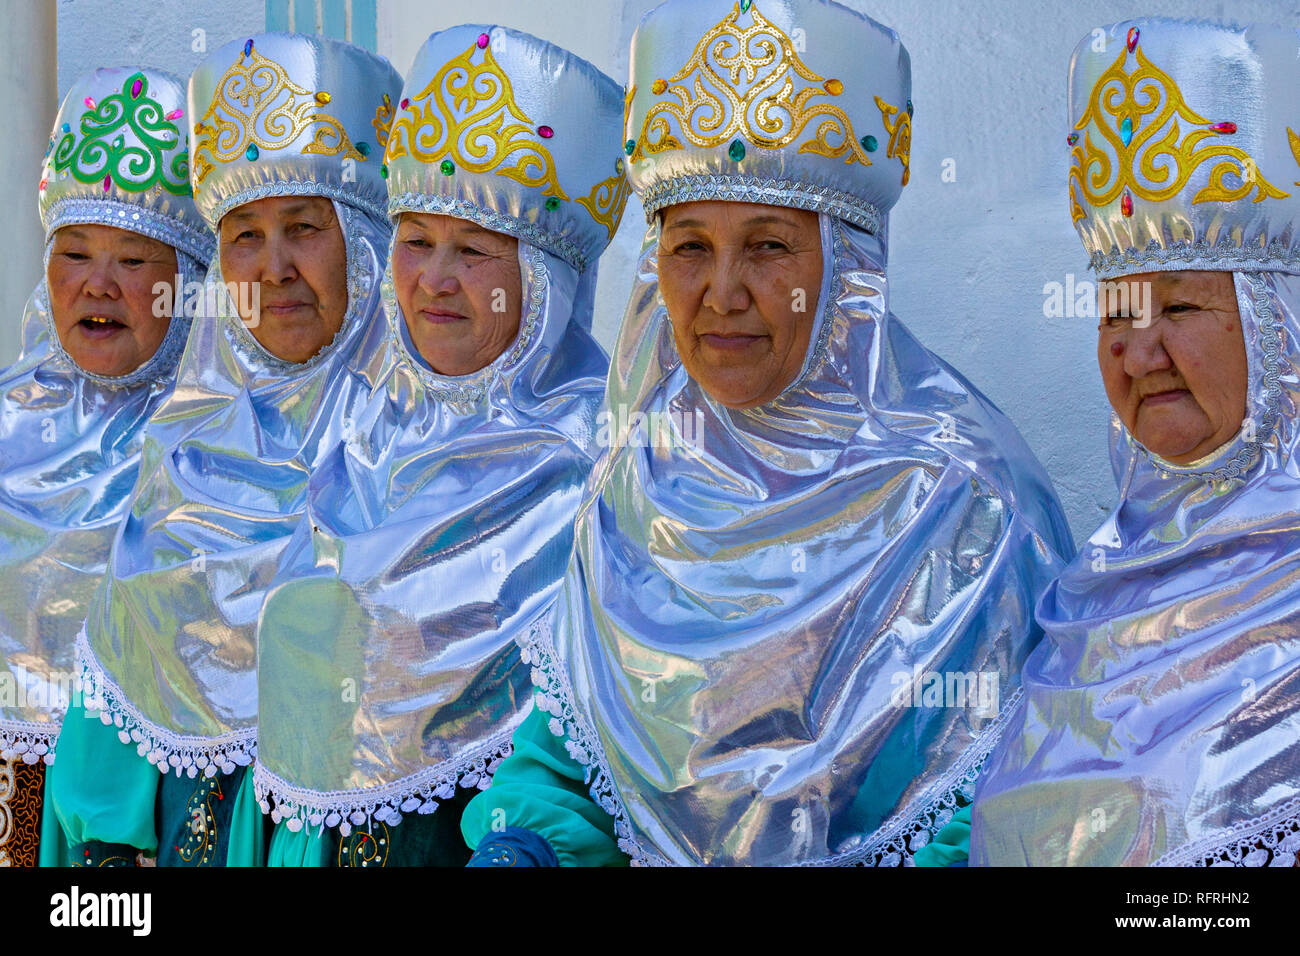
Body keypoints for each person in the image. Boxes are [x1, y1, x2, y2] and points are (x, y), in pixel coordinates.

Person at [460, 0, 1073, 867]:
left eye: (769, 246)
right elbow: (569, 756)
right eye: (690, 247)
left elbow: (999, 808)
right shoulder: (642, 474)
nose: (722, 292)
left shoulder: (964, 501)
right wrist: (523, 846)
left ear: (849, 261)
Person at [246, 24, 629, 867]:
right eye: (415, 238)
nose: (435, 279)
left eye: (478, 250)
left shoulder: (606, 465)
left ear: (546, 276)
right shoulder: (353, 428)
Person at [947, 18, 1300, 867]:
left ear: (1277, 327)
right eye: (1114, 314)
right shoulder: (1087, 594)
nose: (1138, 355)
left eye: (1178, 308)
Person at [46, 33, 401, 866]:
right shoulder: (187, 449)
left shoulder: (413, 454)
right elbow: (116, 684)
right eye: (243, 234)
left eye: (304, 229)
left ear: (366, 241)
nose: (273, 269)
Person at [0, 67, 211, 869]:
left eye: (133, 260)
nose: (97, 283)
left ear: (190, 284)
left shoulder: (213, 451)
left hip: (147, 831)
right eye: (75, 253)